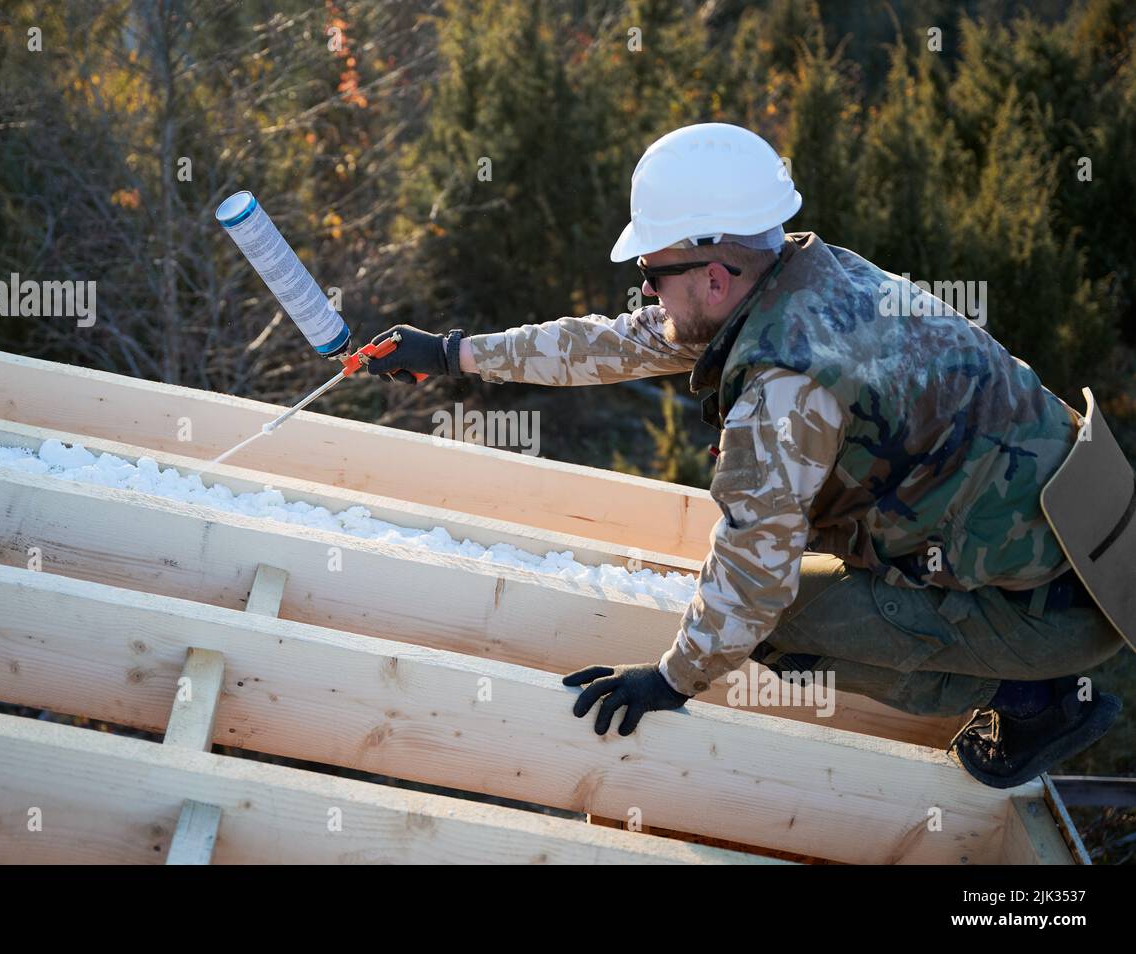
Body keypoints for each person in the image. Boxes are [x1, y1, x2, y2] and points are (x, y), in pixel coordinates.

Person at [363, 122, 1133, 789]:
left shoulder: (782, 393)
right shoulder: (809, 275)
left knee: (772, 626)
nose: (646, 294)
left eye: (651, 275)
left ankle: (1035, 698)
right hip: (1081, 547)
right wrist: (456, 355)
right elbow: (616, 341)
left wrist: (671, 679)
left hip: (1050, 613)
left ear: (715, 275)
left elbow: (748, 585)